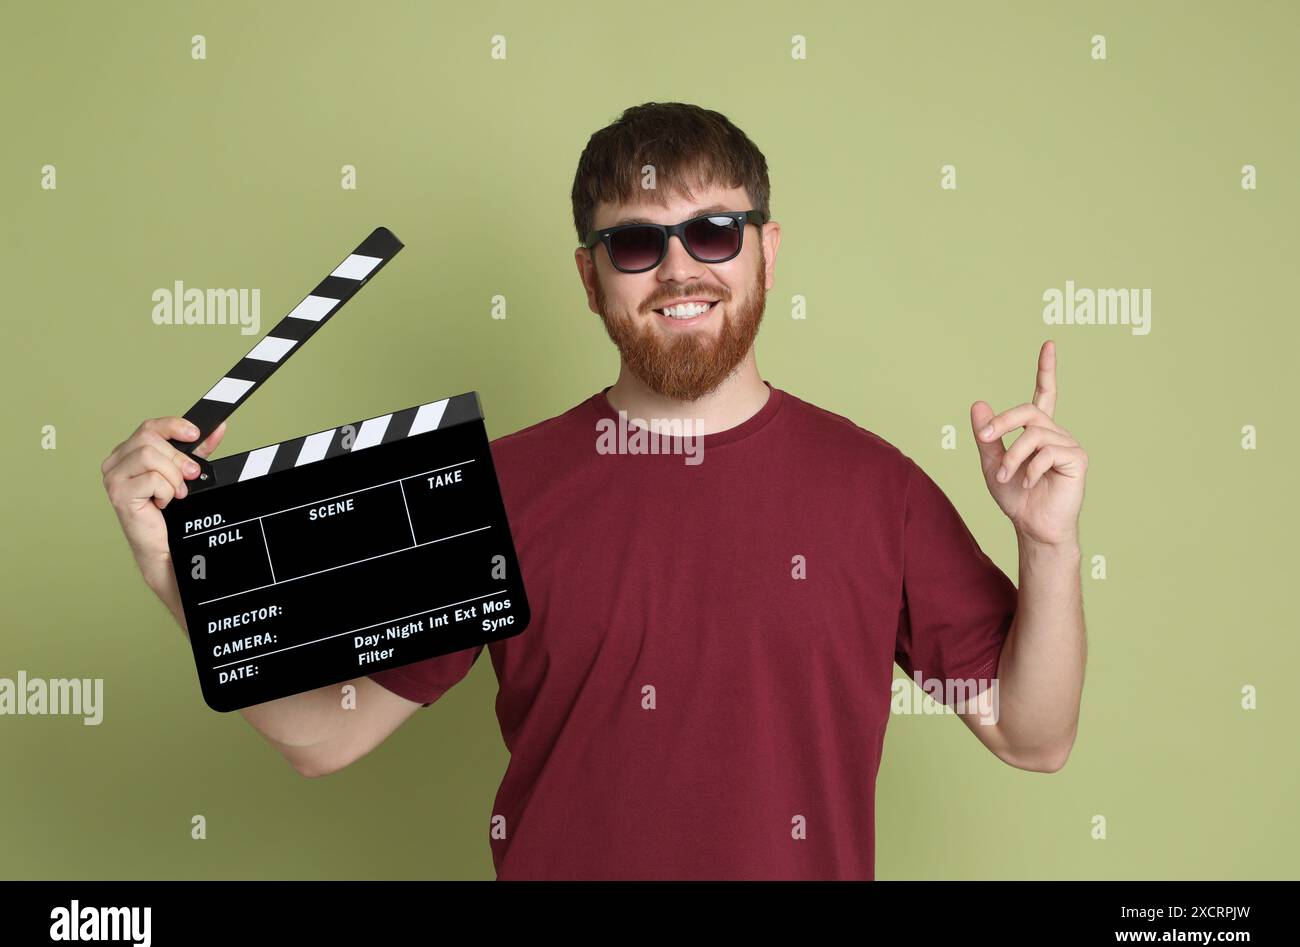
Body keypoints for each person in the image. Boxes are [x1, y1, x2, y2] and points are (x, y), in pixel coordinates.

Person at [101, 101, 1088, 880]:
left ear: (766, 250)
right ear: (589, 277)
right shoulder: (500, 490)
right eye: (634, 244)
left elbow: (1031, 735)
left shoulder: (881, 490)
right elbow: (325, 734)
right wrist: (173, 574)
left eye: (712, 232)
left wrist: (1047, 548)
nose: (676, 269)